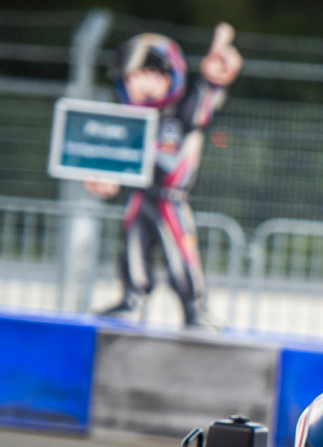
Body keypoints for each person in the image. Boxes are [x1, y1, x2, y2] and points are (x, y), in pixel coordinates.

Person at [84, 26, 242, 328]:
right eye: (131, 77)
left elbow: (207, 96)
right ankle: (132, 299)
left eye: (148, 73)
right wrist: (101, 180)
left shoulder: (183, 111)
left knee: (180, 253)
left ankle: (194, 309)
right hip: (139, 195)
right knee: (132, 245)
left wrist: (213, 79)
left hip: (171, 199)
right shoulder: (128, 121)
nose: (139, 83)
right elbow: (107, 160)